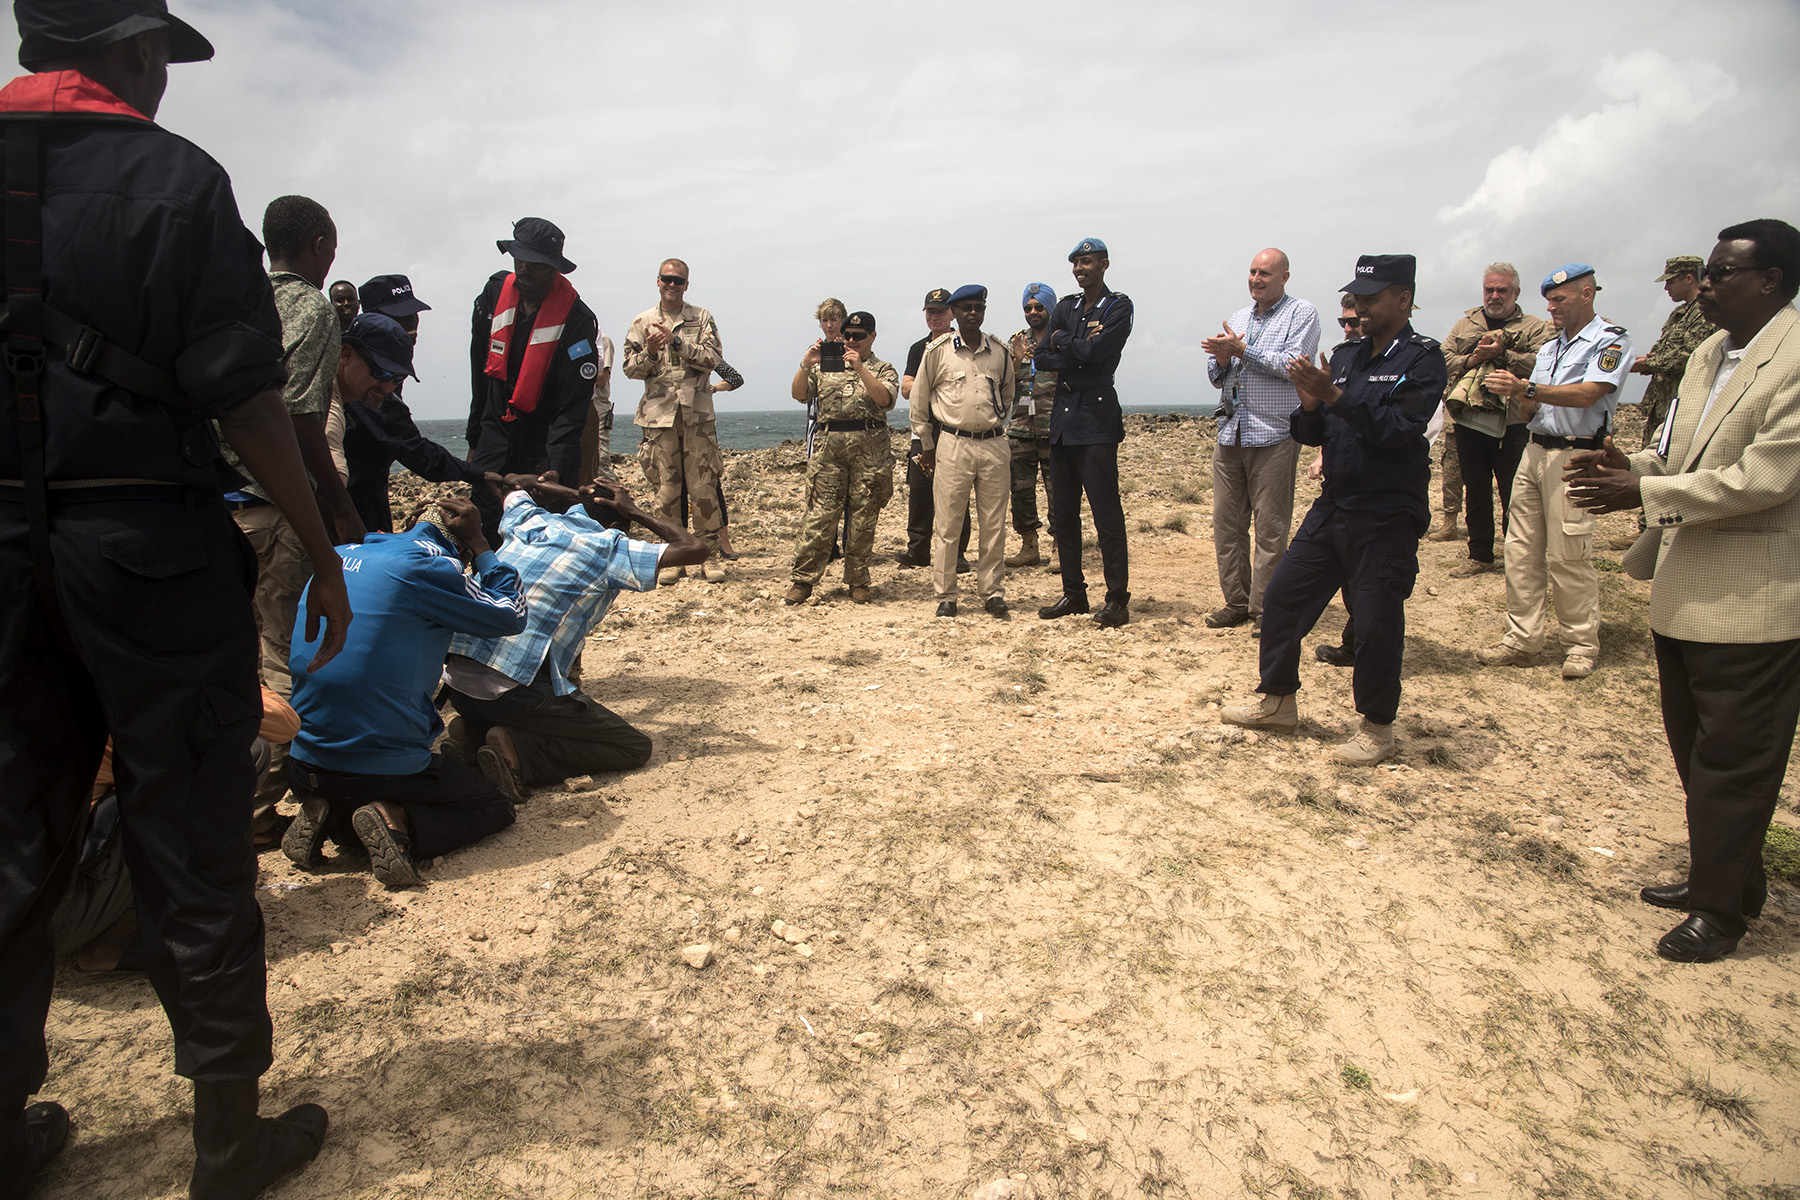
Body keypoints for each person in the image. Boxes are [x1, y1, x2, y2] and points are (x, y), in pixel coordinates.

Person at [0, 3, 350, 1192]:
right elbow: (248, 403)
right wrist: (325, 545)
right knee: (192, 841)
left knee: (8, 840)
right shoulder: (178, 181)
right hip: (145, 544)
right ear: (139, 51)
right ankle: (224, 1143)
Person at [1564, 219, 1800, 963]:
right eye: (1708, 271)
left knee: (1734, 762)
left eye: (1724, 272)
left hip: (1753, 601)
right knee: (1696, 753)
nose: (1707, 285)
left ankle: (1719, 914)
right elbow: (1673, 452)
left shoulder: (1795, 358)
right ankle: (1726, 877)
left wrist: (1644, 489)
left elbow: (1764, 480)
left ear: (1772, 280)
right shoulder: (1706, 354)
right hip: (1683, 595)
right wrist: (1622, 463)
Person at [1221, 254, 1446, 766]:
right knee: (1281, 600)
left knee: (1374, 623)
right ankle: (1277, 701)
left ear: (1403, 299)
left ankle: (1377, 729)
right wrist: (1309, 404)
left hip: (1386, 512)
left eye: (1371, 298)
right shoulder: (1345, 357)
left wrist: (1333, 396)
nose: (1360, 307)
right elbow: (1314, 433)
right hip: (1335, 505)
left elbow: (1396, 430)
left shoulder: (1422, 359)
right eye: (1357, 298)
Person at [284, 496, 527, 887]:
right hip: (377, 766)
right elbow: (511, 614)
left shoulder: (339, 555)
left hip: (303, 762)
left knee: (365, 777)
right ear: (459, 549)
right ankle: (399, 825)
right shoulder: (430, 566)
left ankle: (331, 815)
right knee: (492, 806)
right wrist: (482, 547)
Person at [222, 194, 365, 846]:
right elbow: (302, 419)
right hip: (278, 505)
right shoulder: (313, 308)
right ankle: (255, 811)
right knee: (280, 655)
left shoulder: (239, 299)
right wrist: (337, 507)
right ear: (319, 244)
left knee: (231, 651)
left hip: (221, 502)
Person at [445, 476, 709, 800]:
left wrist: (579, 495)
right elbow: (696, 549)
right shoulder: (610, 548)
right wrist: (635, 511)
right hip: (517, 691)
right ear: (616, 524)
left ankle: (470, 733)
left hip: (456, 680)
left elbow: (513, 484)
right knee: (632, 746)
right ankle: (518, 752)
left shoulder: (529, 519)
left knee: (516, 703)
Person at [1475, 264, 1631, 679]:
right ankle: (1522, 639)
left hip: (1576, 457)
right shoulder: (1550, 348)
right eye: (1549, 300)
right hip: (1535, 450)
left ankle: (1580, 643)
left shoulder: (1609, 341)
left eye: (1559, 299)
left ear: (1587, 295)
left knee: (1568, 553)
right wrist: (1517, 396)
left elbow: (1589, 394)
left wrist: (1527, 389)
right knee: (1520, 548)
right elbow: (1534, 406)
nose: (1551, 307)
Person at [1202, 248, 1320, 633]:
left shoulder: (1301, 313)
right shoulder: (1238, 317)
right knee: (1227, 525)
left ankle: (1265, 611)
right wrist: (1221, 358)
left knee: (1270, 529)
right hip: (1231, 433)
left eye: (1265, 273)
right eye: (1252, 271)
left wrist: (1241, 350)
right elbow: (1217, 377)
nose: (1256, 279)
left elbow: (1294, 366)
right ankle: (1236, 602)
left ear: (1284, 277)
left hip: (1274, 435)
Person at [467, 217, 601, 544]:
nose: (525, 269)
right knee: (484, 522)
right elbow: (479, 368)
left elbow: (572, 405)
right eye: (520, 259)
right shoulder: (493, 293)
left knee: (546, 533)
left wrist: (554, 466)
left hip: (546, 438)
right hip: (495, 429)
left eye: (536, 264)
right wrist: (474, 438)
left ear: (553, 268)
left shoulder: (578, 321)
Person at [1036, 237, 1134, 628]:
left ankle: (1116, 598)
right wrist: (1070, 345)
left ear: (1104, 265)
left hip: (1095, 421)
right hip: (1062, 422)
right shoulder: (1064, 307)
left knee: (1106, 514)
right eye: (1076, 263)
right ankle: (1074, 593)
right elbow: (1043, 357)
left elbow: (1098, 355)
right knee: (1065, 513)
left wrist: (1062, 342)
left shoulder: (1118, 306)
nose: (1080, 269)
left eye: (1087, 262)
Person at [1438, 263, 1554, 576]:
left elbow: (1544, 361)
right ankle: (1480, 555)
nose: (1495, 296)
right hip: (1469, 420)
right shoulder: (1465, 324)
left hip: (1513, 421)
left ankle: (1519, 557)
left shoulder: (1534, 327)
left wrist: (1503, 355)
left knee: (1514, 491)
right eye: (1489, 289)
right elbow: (1442, 358)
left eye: (1502, 290)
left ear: (1516, 293)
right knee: (1475, 489)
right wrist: (1474, 358)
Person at [909, 285, 1015, 619]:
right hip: (952, 444)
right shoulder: (938, 351)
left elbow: (1008, 394)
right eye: (966, 307)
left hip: (994, 444)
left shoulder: (999, 351)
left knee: (994, 524)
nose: (973, 313)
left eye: (978, 307)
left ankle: (992, 591)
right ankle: (947, 594)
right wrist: (927, 445)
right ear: (954, 312)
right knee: (948, 523)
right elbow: (919, 401)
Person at [624, 258, 727, 583]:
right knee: (666, 491)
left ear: (686, 285)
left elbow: (714, 359)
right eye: (667, 279)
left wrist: (678, 343)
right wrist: (651, 354)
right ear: (657, 281)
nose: (672, 285)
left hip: (696, 416)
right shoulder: (643, 321)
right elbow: (629, 369)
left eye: (678, 280)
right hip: (659, 418)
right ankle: (673, 557)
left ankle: (707, 556)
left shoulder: (702, 317)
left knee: (703, 488)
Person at [786, 311, 897, 605]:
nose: (851, 341)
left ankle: (858, 580)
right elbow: (798, 394)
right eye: (847, 335)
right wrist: (805, 364)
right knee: (820, 517)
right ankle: (803, 580)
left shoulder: (883, 368)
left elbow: (884, 399)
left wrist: (860, 368)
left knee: (863, 517)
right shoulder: (825, 365)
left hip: (869, 449)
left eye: (858, 337)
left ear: (872, 337)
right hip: (829, 449)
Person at [1613, 256, 1718, 546]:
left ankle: (1665, 530)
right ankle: (1647, 531)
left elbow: (1691, 354)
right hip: (1662, 402)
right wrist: (1645, 361)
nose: (1666, 288)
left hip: (1685, 404)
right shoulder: (1678, 315)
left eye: (1670, 281)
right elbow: (1663, 350)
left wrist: (1647, 362)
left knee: (1674, 465)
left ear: (1688, 278)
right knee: (1652, 459)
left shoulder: (1706, 312)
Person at [898, 288, 970, 571]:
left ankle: (957, 553)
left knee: (956, 494)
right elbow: (906, 389)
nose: (934, 317)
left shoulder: (962, 344)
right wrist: (935, 386)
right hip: (923, 432)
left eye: (940, 311)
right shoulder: (919, 349)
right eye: (930, 312)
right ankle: (917, 550)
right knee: (919, 493)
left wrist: (926, 386)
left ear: (952, 313)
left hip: (955, 431)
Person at [1311, 296, 1363, 669]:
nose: (1348, 328)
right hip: (1342, 485)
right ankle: (1355, 640)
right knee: (1347, 569)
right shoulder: (1343, 360)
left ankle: (1366, 643)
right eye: (1343, 321)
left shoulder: (1409, 358)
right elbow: (1329, 422)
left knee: (1371, 575)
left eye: (1354, 321)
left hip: (1383, 488)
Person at [1006, 283, 1057, 568]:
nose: (1033, 312)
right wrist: (1016, 358)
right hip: (1021, 429)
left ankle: (1060, 546)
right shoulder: (1017, 341)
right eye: (1028, 308)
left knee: (1058, 491)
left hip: (1054, 428)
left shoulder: (1061, 337)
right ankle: (1029, 546)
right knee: (1021, 491)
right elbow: (1005, 385)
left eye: (1039, 307)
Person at [579, 333, 618, 486]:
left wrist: (577, 375)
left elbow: (602, 378)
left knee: (601, 459)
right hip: (577, 407)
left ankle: (614, 499)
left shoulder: (603, 341)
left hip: (598, 406)